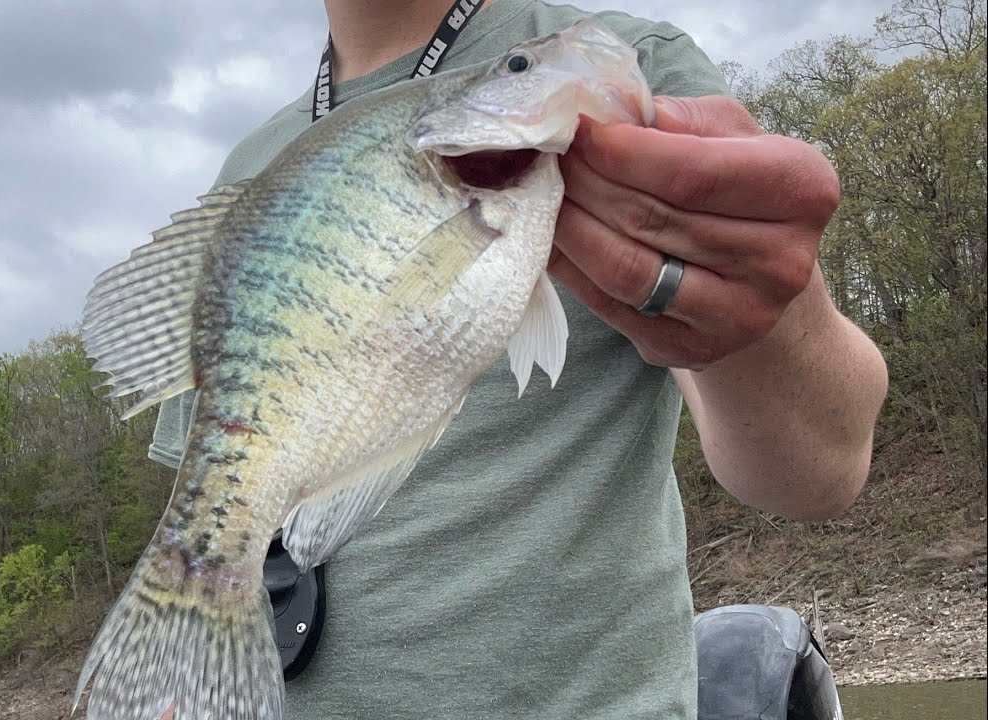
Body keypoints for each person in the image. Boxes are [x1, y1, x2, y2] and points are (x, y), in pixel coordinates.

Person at [146, 0, 889, 718]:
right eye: (522, 68)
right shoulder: (250, 162)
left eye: (521, 68)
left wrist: (765, 321)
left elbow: (818, 478)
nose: (540, 70)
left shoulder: (627, 68)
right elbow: (207, 482)